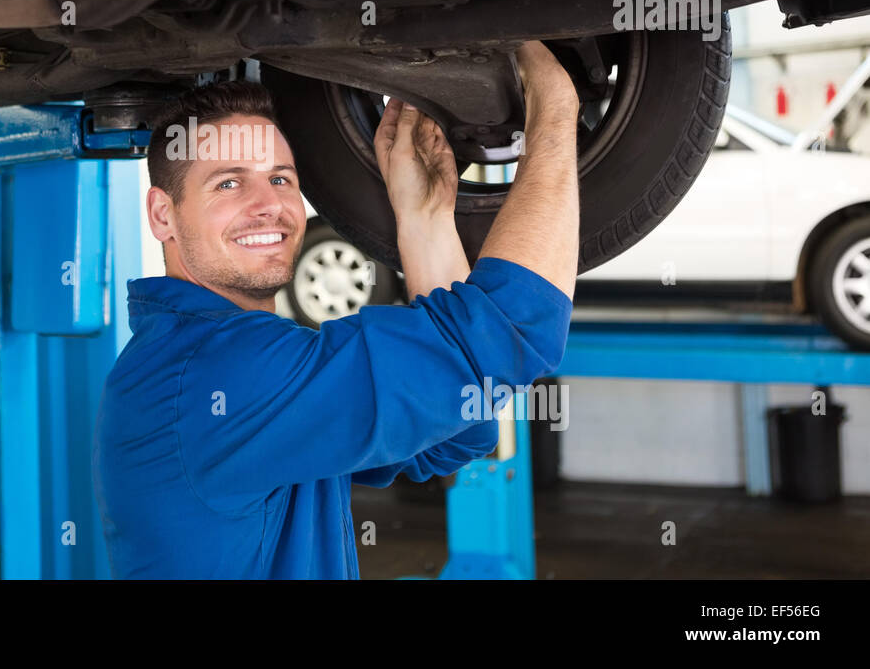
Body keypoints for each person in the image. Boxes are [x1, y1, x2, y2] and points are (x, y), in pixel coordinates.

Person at [93, 42, 580, 578]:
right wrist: (556, 113)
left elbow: (456, 430)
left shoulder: (211, 363)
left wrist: (424, 221)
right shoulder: (214, 376)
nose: (269, 205)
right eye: (229, 183)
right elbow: (514, 325)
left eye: (280, 178)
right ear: (163, 215)